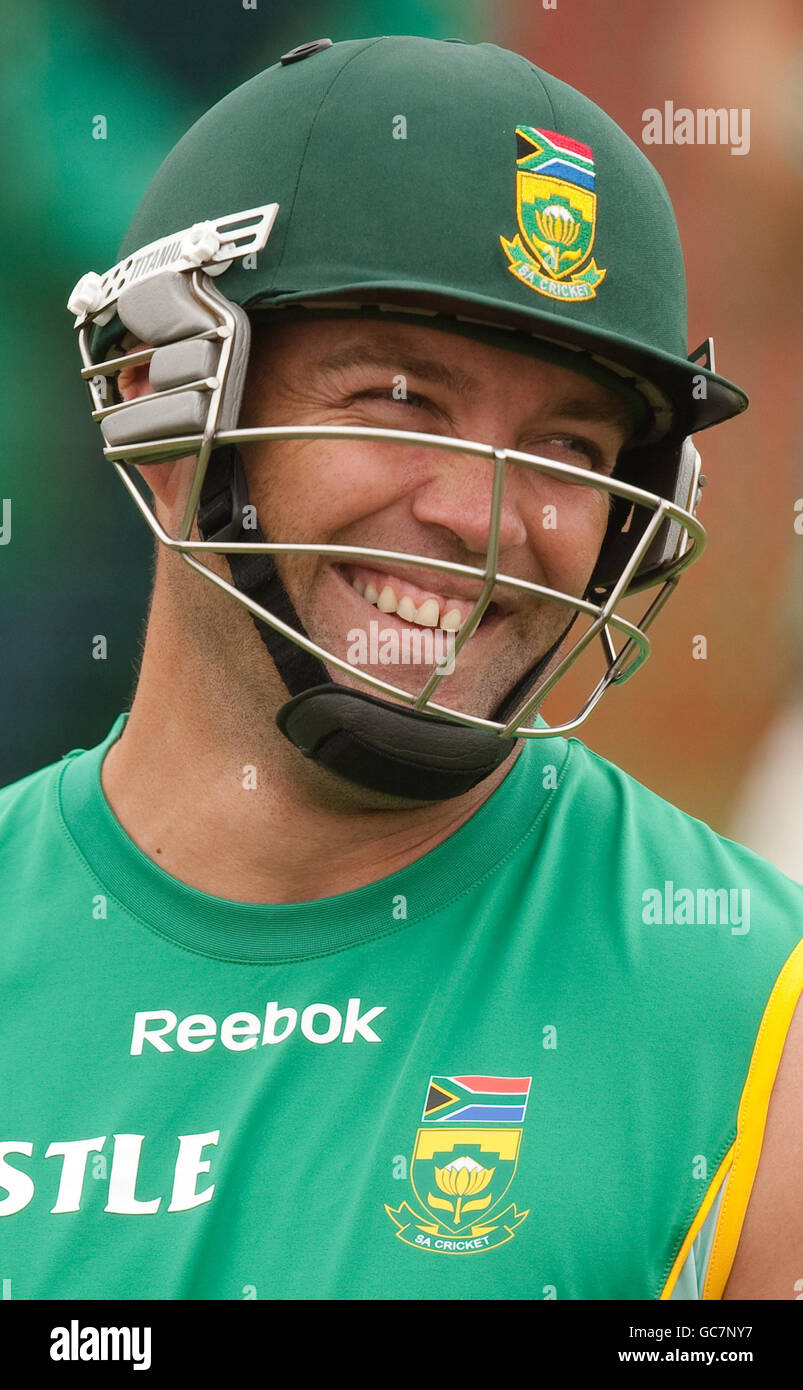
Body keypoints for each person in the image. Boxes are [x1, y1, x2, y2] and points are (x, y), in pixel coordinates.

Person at [2, 35, 800, 1301]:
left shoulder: (762, 1010)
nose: (487, 521)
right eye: (399, 398)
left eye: (567, 445)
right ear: (162, 401)